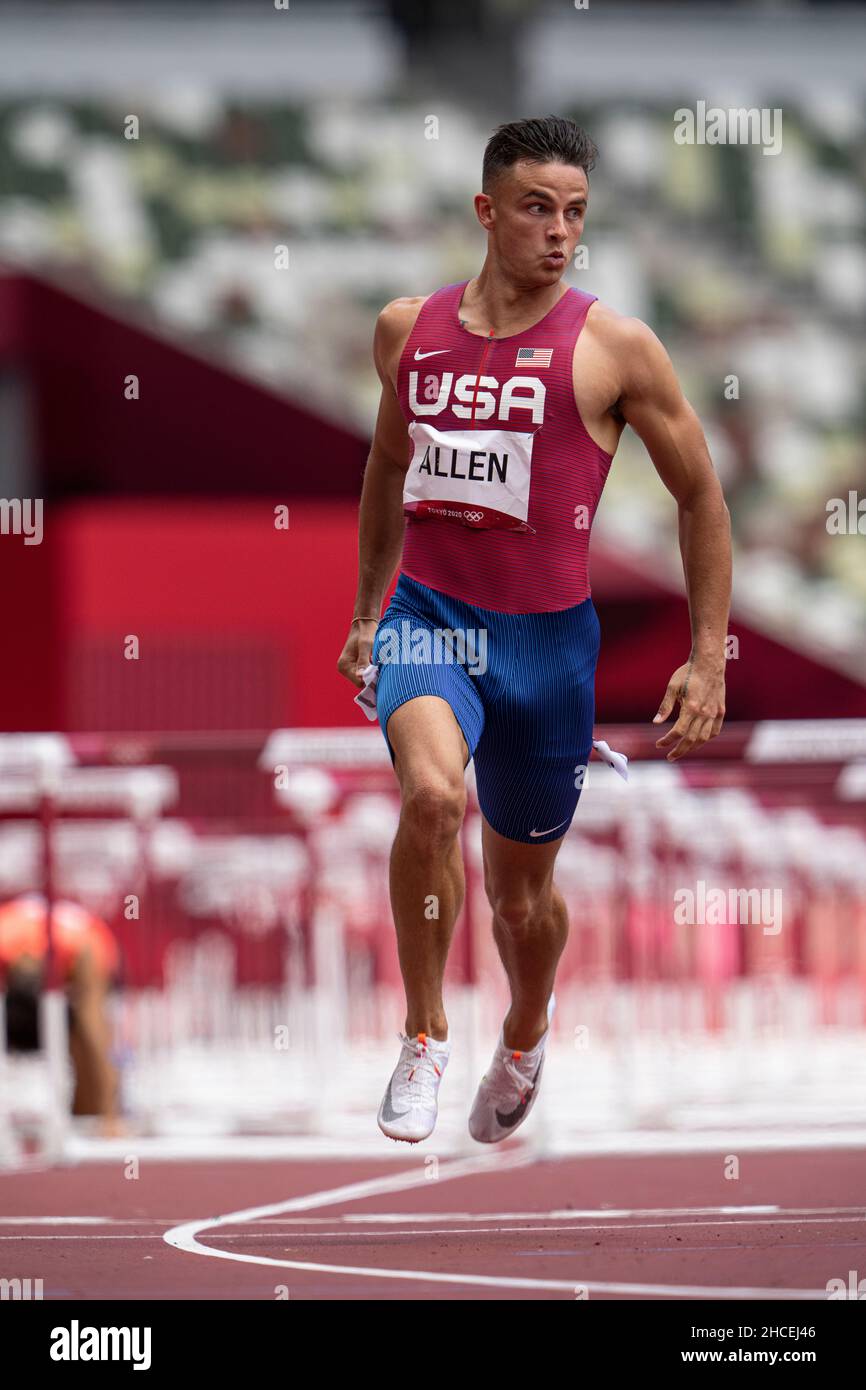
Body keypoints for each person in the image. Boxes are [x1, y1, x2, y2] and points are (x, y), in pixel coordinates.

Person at [337, 114, 731, 1144]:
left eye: (574, 214)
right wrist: (367, 611)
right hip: (431, 620)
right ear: (484, 211)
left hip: (547, 652)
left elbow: (699, 497)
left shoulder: (613, 347)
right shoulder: (404, 329)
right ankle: (424, 1035)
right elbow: (386, 469)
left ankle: (523, 1029)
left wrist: (703, 656)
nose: (558, 233)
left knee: (520, 901)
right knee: (430, 797)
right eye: (535, 209)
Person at [0, 892, 124, 1136]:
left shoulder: (88, 943)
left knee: (90, 1026)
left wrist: (110, 1115)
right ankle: (102, 1113)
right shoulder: (11, 932)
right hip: (20, 993)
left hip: (76, 975)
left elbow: (96, 1031)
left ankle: (98, 1112)